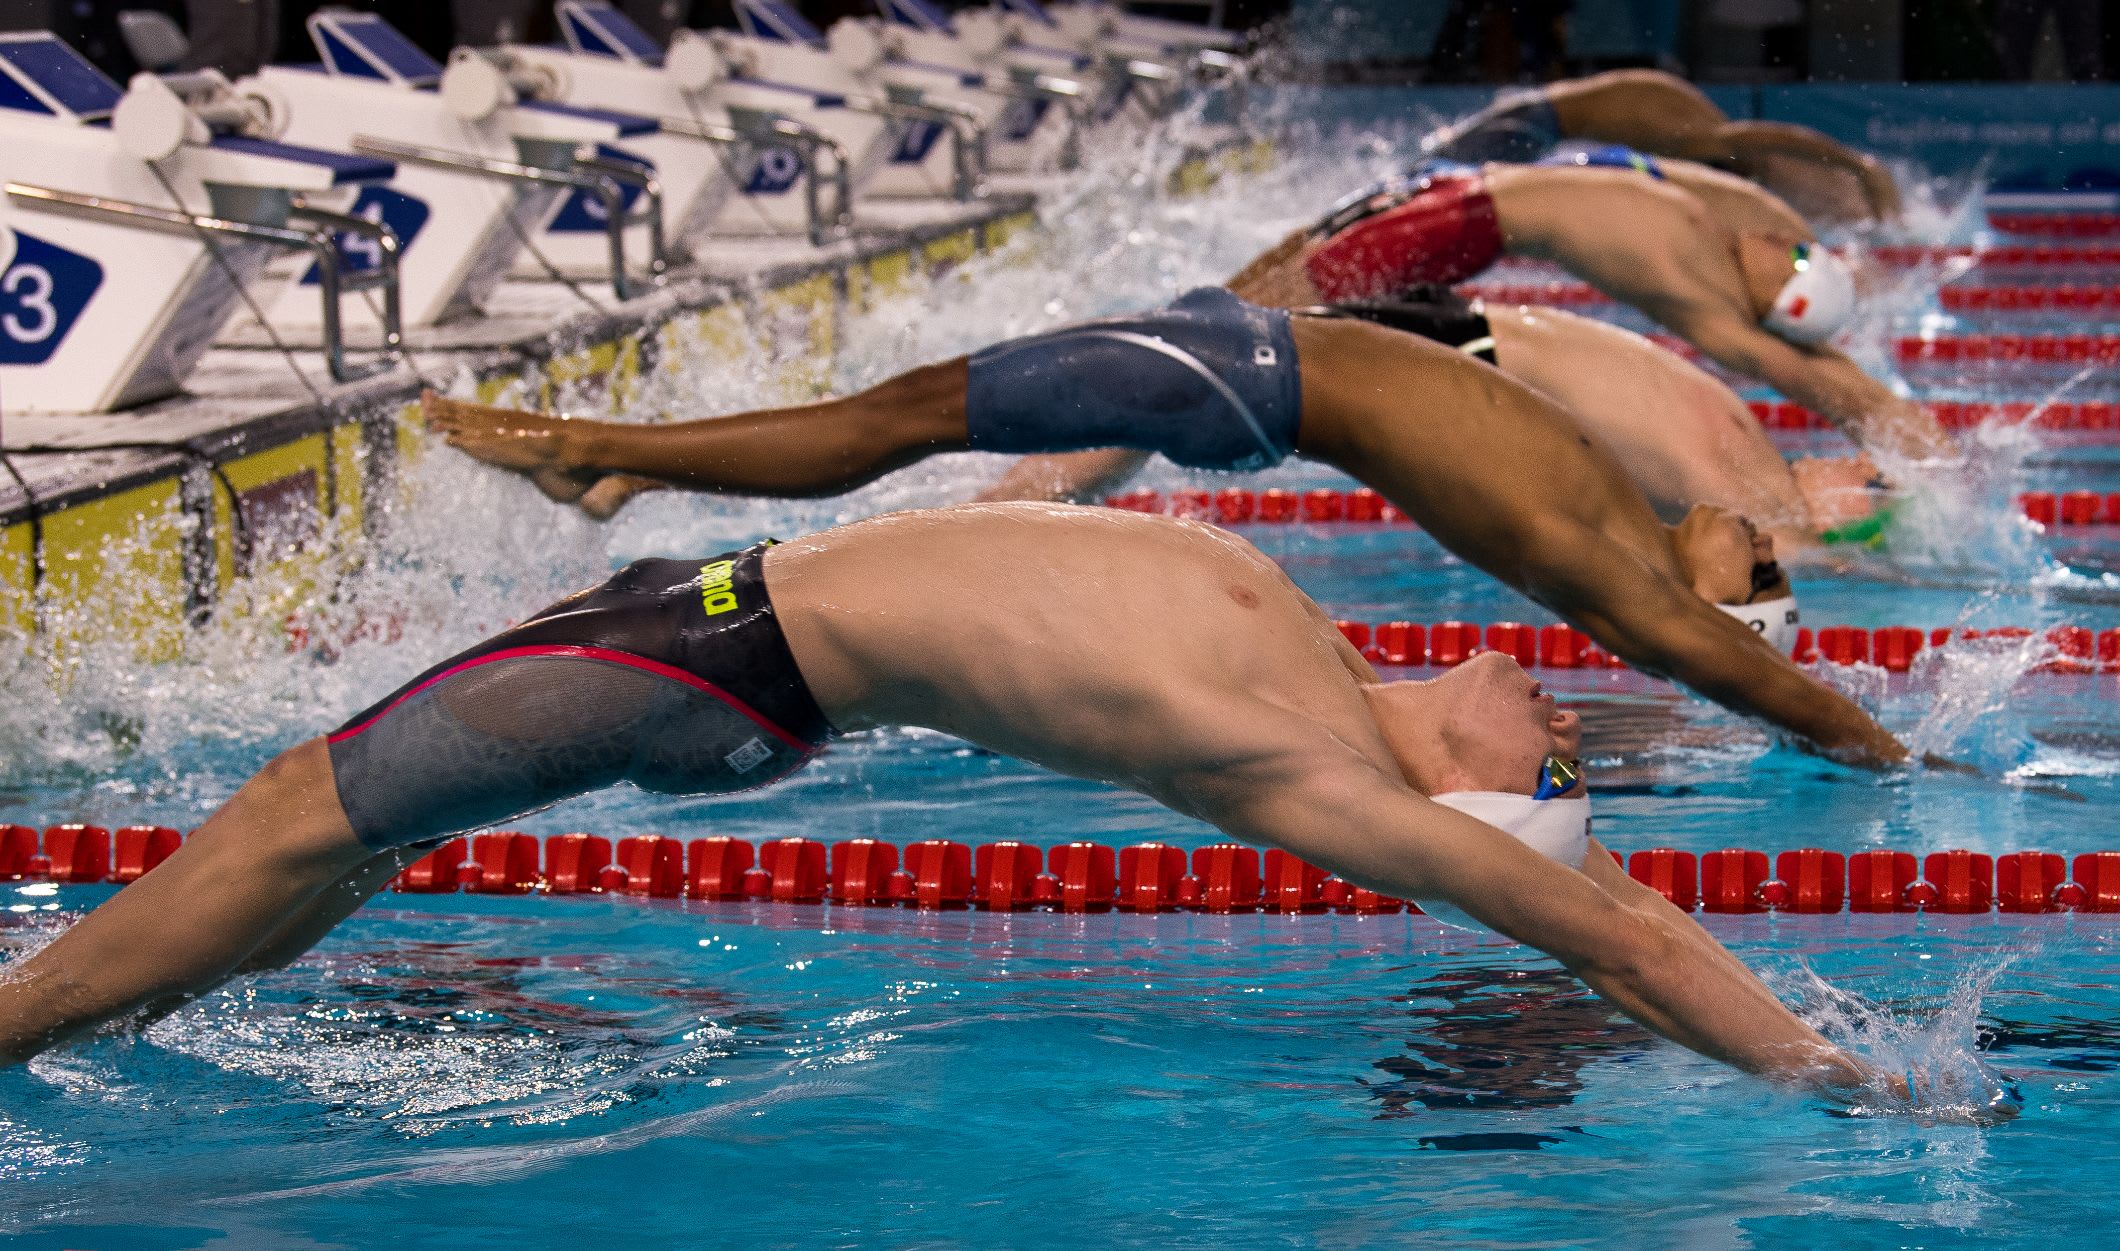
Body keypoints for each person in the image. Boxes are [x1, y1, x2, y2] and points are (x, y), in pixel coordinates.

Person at [0, 504, 1906, 1112]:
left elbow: (1614, 927)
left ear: (1458, 802)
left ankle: (28, 1021)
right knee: (339, 839)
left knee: (275, 821)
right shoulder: (1325, 669)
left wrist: (1857, 1080)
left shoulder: (1303, 765)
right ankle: (111, 1009)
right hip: (720, 631)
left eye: (1543, 772)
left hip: (714, 665)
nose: (1548, 714)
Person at [423, 287, 1905, 763]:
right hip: (1254, 363)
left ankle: (602, 454)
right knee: (909, 412)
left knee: (904, 413)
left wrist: (1869, 738)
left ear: (1712, 607)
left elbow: (1732, 670)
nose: (1752, 525)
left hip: (1247, 374)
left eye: (1757, 565)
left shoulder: (1617, 577)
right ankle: (619, 462)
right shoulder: (1639, 520)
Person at [967, 289, 1893, 559]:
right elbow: (1793, 568)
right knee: (1175, 392)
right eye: (1874, 488)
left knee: (1172, 386)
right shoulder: (1742, 481)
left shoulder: (1743, 447)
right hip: (1457, 353)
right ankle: (992, 510)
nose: (1868, 492)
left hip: (1464, 334)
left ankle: (997, 497)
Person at [1226, 152, 1953, 462]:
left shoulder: (1707, 299)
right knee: (1258, 282)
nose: (1784, 241)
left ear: (1781, 301)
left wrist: (1914, 440)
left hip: (1454, 222)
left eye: (1798, 259)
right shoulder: (1721, 232)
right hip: (1451, 193)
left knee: (1241, 325)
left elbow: (1797, 371)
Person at [1419, 68, 1901, 224]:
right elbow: (1783, 135)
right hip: (1530, 125)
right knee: (1423, 191)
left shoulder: (1701, 128)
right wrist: (1857, 166)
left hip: (1534, 121)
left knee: (1426, 189)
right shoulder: (1705, 137)